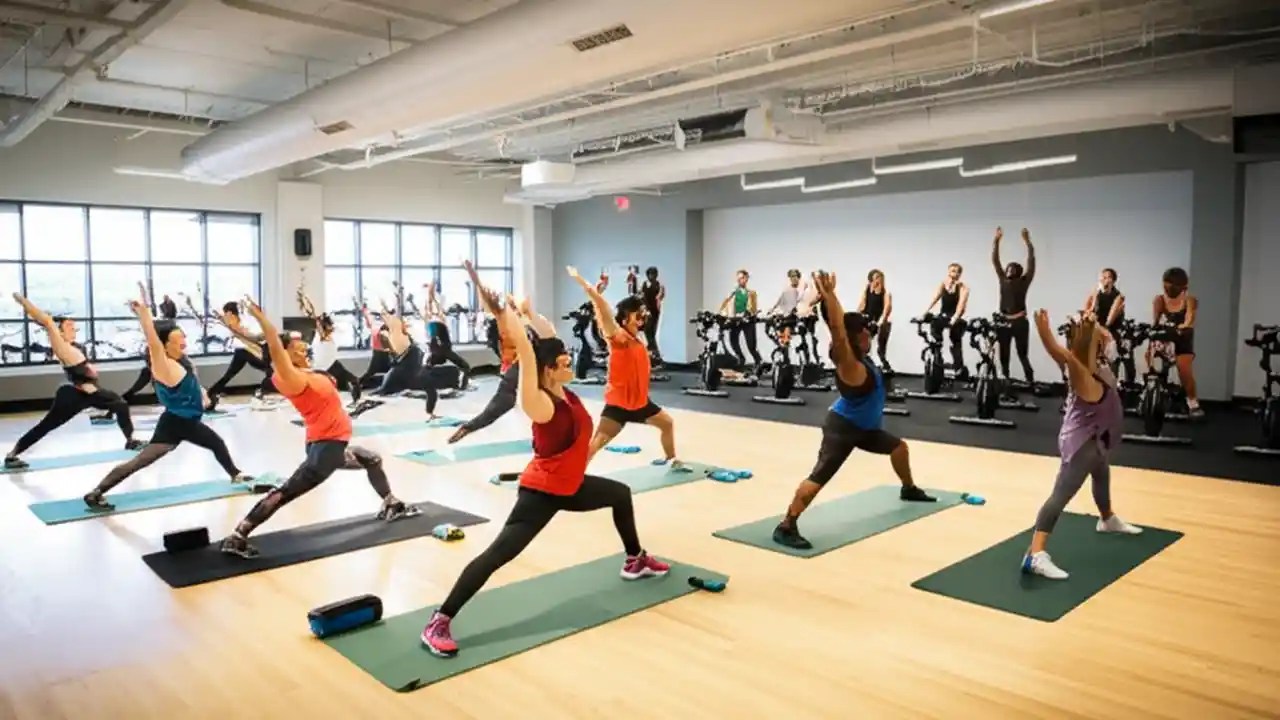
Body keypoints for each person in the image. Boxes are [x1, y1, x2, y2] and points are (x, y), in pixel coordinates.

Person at [419, 289, 670, 657]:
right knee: (497, 555)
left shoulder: (566, 393)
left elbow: (547, 334)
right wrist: (508, 317)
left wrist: (529, 313)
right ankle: (439, 620)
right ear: (549, 369)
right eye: (565, 362)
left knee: (619, 494)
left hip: (570, 485)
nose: (572, 366)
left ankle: (635, 559)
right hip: (542, 493)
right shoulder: (540, 403)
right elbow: (525, 349)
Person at [219, 297, 417, 559]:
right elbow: (275, 349)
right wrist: (263, 321)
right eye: (298, 349)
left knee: (372, 459)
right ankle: (238, 535)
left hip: (330, 445)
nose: (305, 351)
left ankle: (391, 502)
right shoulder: (290, 377)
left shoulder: (309, 372)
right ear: (285, 355)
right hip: (325, 448)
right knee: (286, 492)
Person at [773, 272, 936, 550]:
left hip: (864, 429)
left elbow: (838, 323)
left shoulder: (860, 355)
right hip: (843, 430)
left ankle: (908, 488)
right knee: (818, 478)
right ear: (856, 336)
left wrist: (829, 297)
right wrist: (830, 298)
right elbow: (837, 328)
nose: (869, 333)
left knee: (899, 448)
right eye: (865, 331)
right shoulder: (850, 365)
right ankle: (786, 525)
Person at [84, 285, 255, 510]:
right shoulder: (163, 366)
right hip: (181, 421)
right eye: (178, 339)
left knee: (141, 461)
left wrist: (203, 396)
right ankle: (235, 474)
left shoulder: (180, 359)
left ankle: (96, 491)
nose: (184, 341)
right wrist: (144, 317)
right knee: (216, 442)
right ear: (165, 346)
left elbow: (191, 380)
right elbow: (153, 342)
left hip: (173, 421)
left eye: (183, 337)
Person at [1022, 310, 1141, 580]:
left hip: (1096, 436)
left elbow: (1098, 343)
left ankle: (1107, 519)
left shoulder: (1097, 367)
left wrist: (1094, 324)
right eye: (1101, 339)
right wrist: (1047, 335)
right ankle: (1035, 555)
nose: (1107, 340)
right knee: (1061, 494)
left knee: (1101, 471)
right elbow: (1065, 354)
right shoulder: (1083, 374)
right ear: (1091, 346)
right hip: (1080, 442)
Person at [5, 294, 143, 470]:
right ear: (59, 331)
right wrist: (23, 302)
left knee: (120, 404)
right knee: (47, 425)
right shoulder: (61, 346)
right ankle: (12, 455)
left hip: (91, 392)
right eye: (69, 326)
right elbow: (46, 321)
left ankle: (130, 440)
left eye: (74, 326)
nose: (73, 329)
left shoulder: (74, 347)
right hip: (74, 395)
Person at [568, 266, 685, 467]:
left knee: (667, 423)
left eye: (642, 312)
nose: (642, 315)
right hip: (619, 405)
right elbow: (604, 311)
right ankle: (571, 475)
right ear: (624, 318)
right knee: (596, 444)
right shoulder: (618, 337)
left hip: (640, 403)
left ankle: (671, 459)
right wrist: (588, 286)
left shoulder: (637, 339)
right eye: (637, 313)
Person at [448, 260, 558, 444]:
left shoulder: (523, 319)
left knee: (547, 400)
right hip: (517, 365)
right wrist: (471, 272)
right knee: (505, 402)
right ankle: (470, 426)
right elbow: (481, 288)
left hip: (529, 364)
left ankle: (548, 437)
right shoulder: (502, 315)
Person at [1150, 267, 1202, 418]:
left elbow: (1190, 319)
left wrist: (1183, 327)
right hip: (1166, 334)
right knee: (1151, 358)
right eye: (1167, 283)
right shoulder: (1159, 300)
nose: (1169, 287)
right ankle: (1150, 396)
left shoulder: (1189, 300)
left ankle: (1193, 403)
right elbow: (1155, 322)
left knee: (1184, 370)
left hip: (1182, 337)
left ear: (1182, 286)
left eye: (1173, 284)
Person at [297, 290, 363, 404]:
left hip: (332, 364)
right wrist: (304, 298)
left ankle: (354, 401)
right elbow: (315, 318)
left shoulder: (328, 334)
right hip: (325, 368)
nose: (332, 328)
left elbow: (317, 318)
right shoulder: (322, 335)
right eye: (329, 326)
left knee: (353, 382)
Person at [206, 301, 274, 408]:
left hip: (249, 350)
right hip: (245, 351)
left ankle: (211, 393)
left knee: (269, 372)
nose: (227, 317)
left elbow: (255, 337)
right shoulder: (234, 323)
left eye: (228, 314)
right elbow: (252, 336)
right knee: (270, 372)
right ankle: (211, 394)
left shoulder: (241, 323)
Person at [992, 227, 1037, 386]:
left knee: (1022, 353)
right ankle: (1006, 380)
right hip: (1004, 322)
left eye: (1012, 268)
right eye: (1008, 268)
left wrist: (1028, 243)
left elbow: (1031, 263)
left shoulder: (1024, 281)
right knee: (1004, 354)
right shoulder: (1003, 280)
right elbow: (996, 261)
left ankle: (1030, 381)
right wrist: (996, 241)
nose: (1009, 269)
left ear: (1018, 271)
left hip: (1019, 322)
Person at [923, 263, 970, 378]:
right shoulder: (943, 284)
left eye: (956, 271)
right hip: (943, 315)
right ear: (948, 272)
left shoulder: (963, 288)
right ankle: (937, 358)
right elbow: (935, 298)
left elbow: (961, 306)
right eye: (952, 271)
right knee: (935, 327)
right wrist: (925, 312)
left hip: (956, 317)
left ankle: (958, 366)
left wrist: (954, 318)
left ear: (959, 274)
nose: (954, 273)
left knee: (955, 340)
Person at [424, 282, 472, 390]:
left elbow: (432, 304)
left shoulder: (433, 321)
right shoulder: (435, 320)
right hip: (442, 350)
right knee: (466, 367)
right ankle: (462, 386)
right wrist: (430, 290)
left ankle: (426, 383)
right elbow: (431, 303)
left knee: (427, 367)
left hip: (439, 350)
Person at [718, 269, 762, 371]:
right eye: (738, 278)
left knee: (751, 345)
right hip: (735, 320)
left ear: (746, 279)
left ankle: (758, 362)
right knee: (733, 341)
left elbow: (753, 308)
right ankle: (741, 359)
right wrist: (722, 314)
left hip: (747, 321)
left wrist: (748, 314)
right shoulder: (733, 292)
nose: (739, 280)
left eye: (742, 278)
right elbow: (724, 304)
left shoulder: (751, 293)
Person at [858, 269, 893, 371]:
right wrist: (856, 317)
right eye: (877, 278)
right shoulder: (867, 290)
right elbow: (861, 305)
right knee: (860, 342)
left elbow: (887, 308)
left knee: (880, 349)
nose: (880, 280)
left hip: (880, 321)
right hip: (867, 319)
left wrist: (880, 321)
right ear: (871, 280)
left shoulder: (886, 293)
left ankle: (885, 365)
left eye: (881, 277)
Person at [639, 266, 664, 362]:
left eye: (653, 274)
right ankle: (652, 352)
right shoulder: (644, 284)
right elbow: (641, 296)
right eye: (650, 274)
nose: (652, 276)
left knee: (650, 332)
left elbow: (659, 297)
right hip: (645, 310)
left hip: (654, 311)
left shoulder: (658, 285)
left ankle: (654, 353)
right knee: (646, 331)